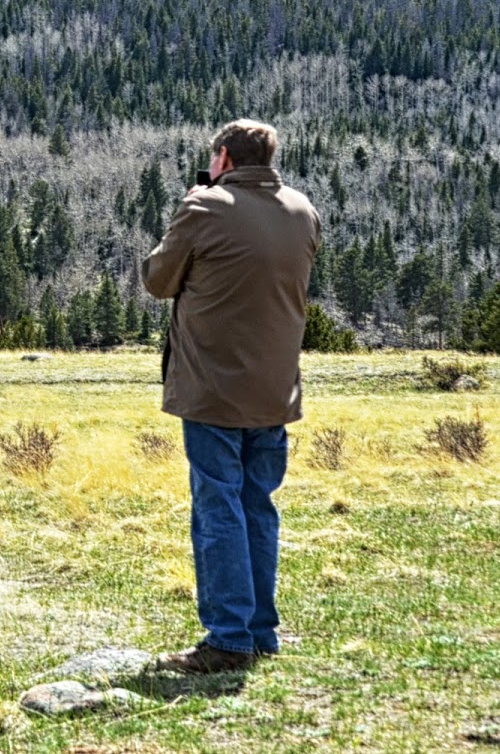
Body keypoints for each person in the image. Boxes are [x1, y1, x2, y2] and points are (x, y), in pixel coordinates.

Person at [141, 119, 322, 674]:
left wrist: (191, 204)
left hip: (214, 386)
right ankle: (260, 630)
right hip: (275, 386)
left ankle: (227, 638)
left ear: (222, 157)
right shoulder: (302, 210)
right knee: (257, 506)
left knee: (217, 507)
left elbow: (158, 280)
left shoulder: (204, 208)